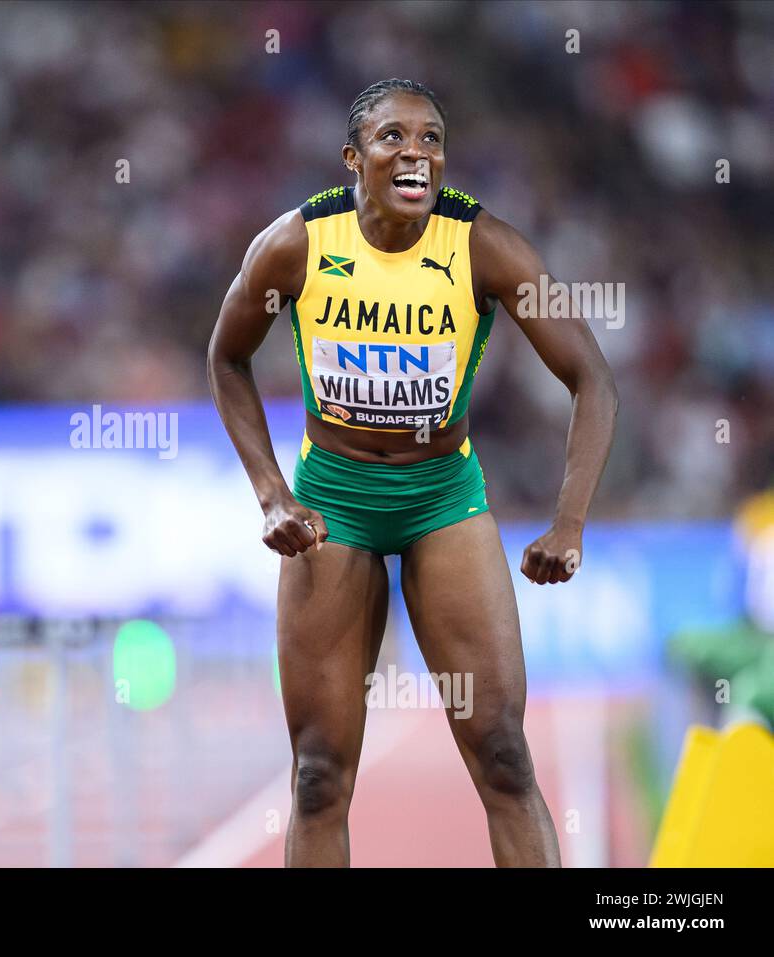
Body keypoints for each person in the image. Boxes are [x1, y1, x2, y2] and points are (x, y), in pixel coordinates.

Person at [207, 78, 618, 867]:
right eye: (395, 137)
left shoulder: (483, 246)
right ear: (352, 158)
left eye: (432, 139)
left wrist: (569, 521)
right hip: (332, 503)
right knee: (319, 776)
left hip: (442, 500)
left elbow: (593, 379)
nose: (418, 153)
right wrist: (271, 495)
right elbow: (226, 358)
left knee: (503, 753)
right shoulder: (297, 243)